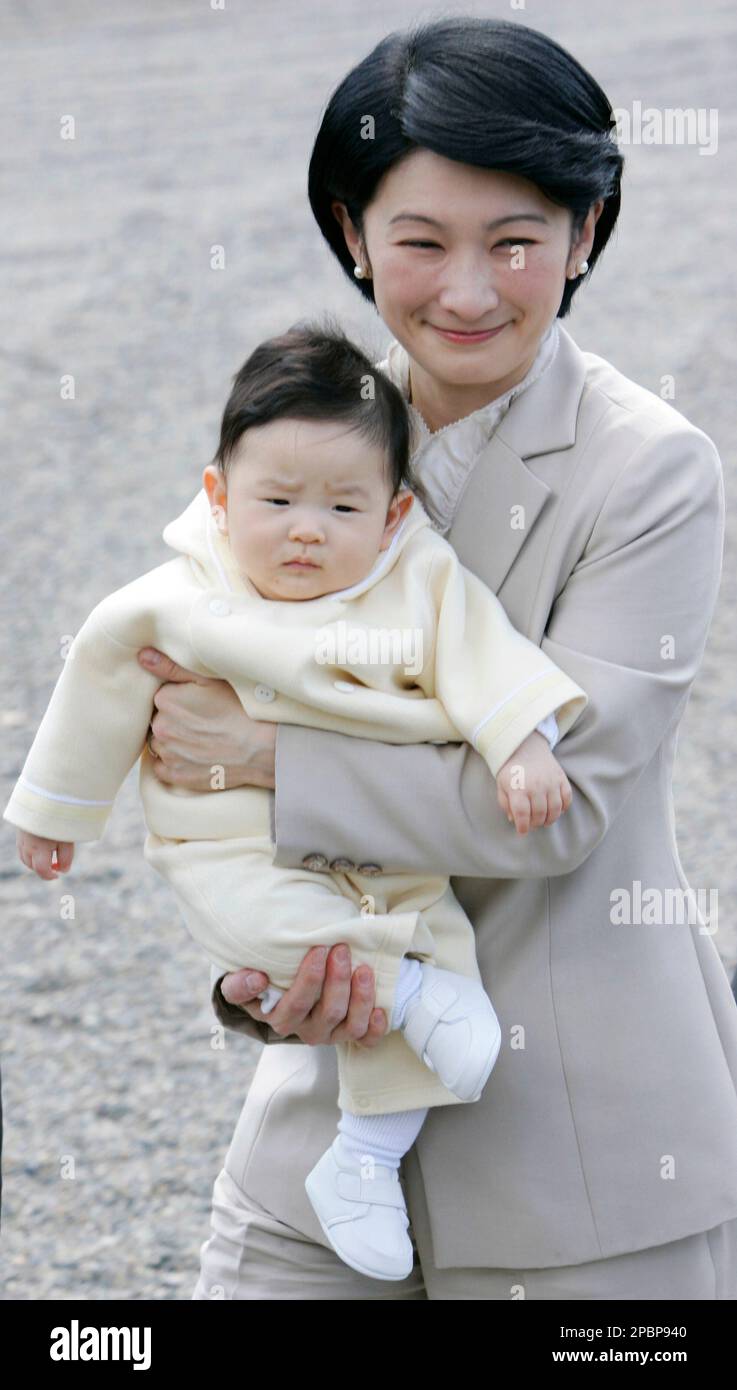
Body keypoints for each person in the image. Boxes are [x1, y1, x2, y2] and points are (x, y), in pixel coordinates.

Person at [137, 16, 737, 1299]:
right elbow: (184, 739)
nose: (466, 292)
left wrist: (271, 753)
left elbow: (557, 806)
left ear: (586, 233)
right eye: (418, 242)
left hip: (582, 1167)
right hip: (325, 1121)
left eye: (515, 241)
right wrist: (262, 972)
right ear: (352, 236)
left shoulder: (651, 471)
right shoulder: (295, 436)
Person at [3, 317, 587, 1282]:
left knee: (434, 946)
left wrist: (520, 739)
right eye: (276, 500)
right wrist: (55, 811)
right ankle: (402, 991)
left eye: (342, 508)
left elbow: (479, 656)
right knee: (297, 937)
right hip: (231, 843)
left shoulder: (419, 579)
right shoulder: (178, 596)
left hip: (385, 854)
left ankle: (363, 1160)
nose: (307, 528)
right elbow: (100, 682)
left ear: (395, 517)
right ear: (219, 497)